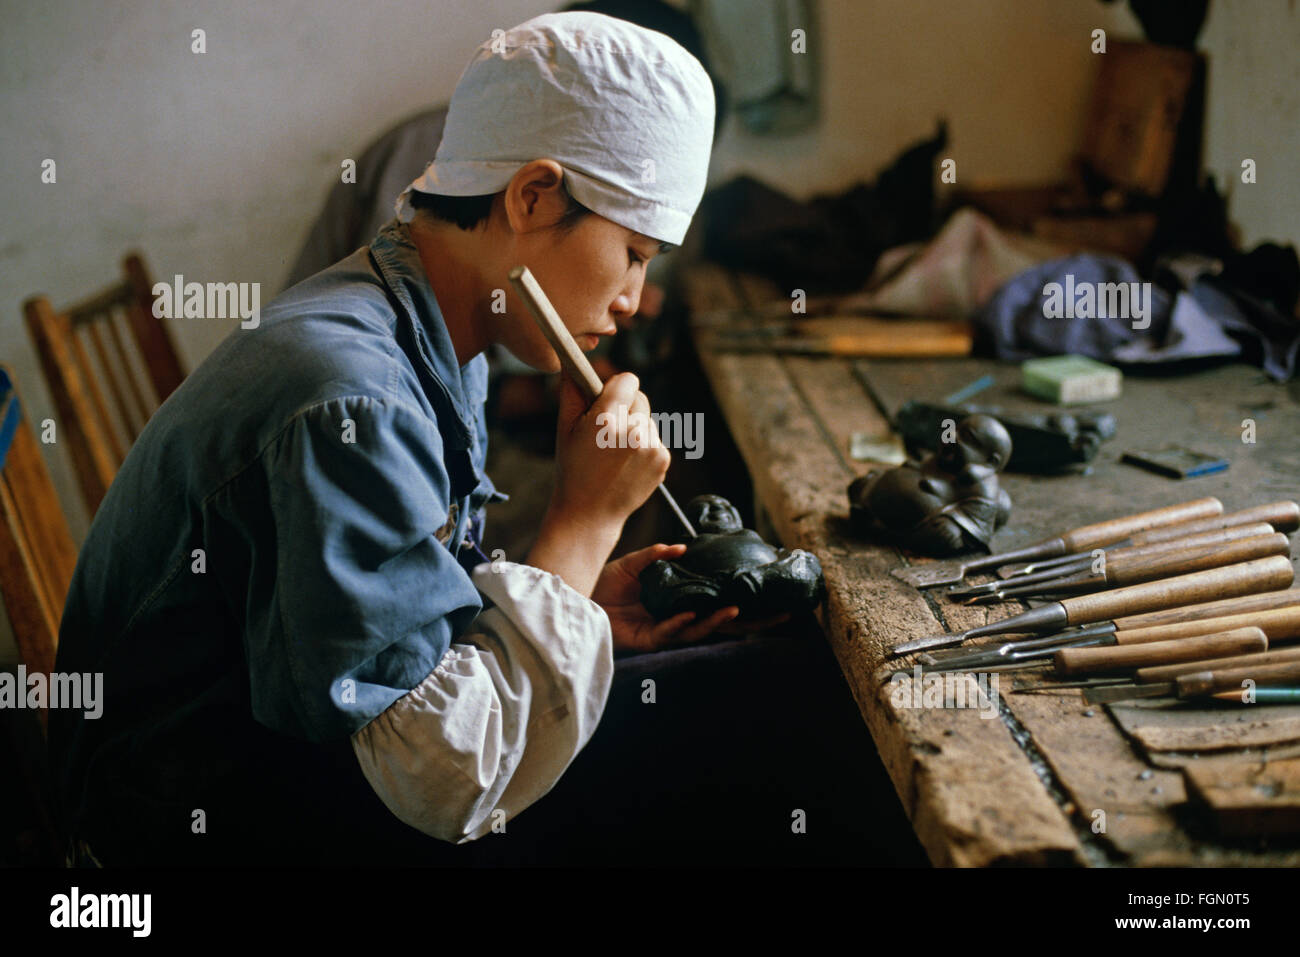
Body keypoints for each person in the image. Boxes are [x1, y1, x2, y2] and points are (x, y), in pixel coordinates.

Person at [49, 11, 728, 866]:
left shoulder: (433, 324)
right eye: (633, 251)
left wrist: (576, 605)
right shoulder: (353, 395)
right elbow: (441, 774)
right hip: (175, 829)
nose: (634, 296)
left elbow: (407, 603)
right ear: (532, 196)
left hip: (282, 756)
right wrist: (583, 523)